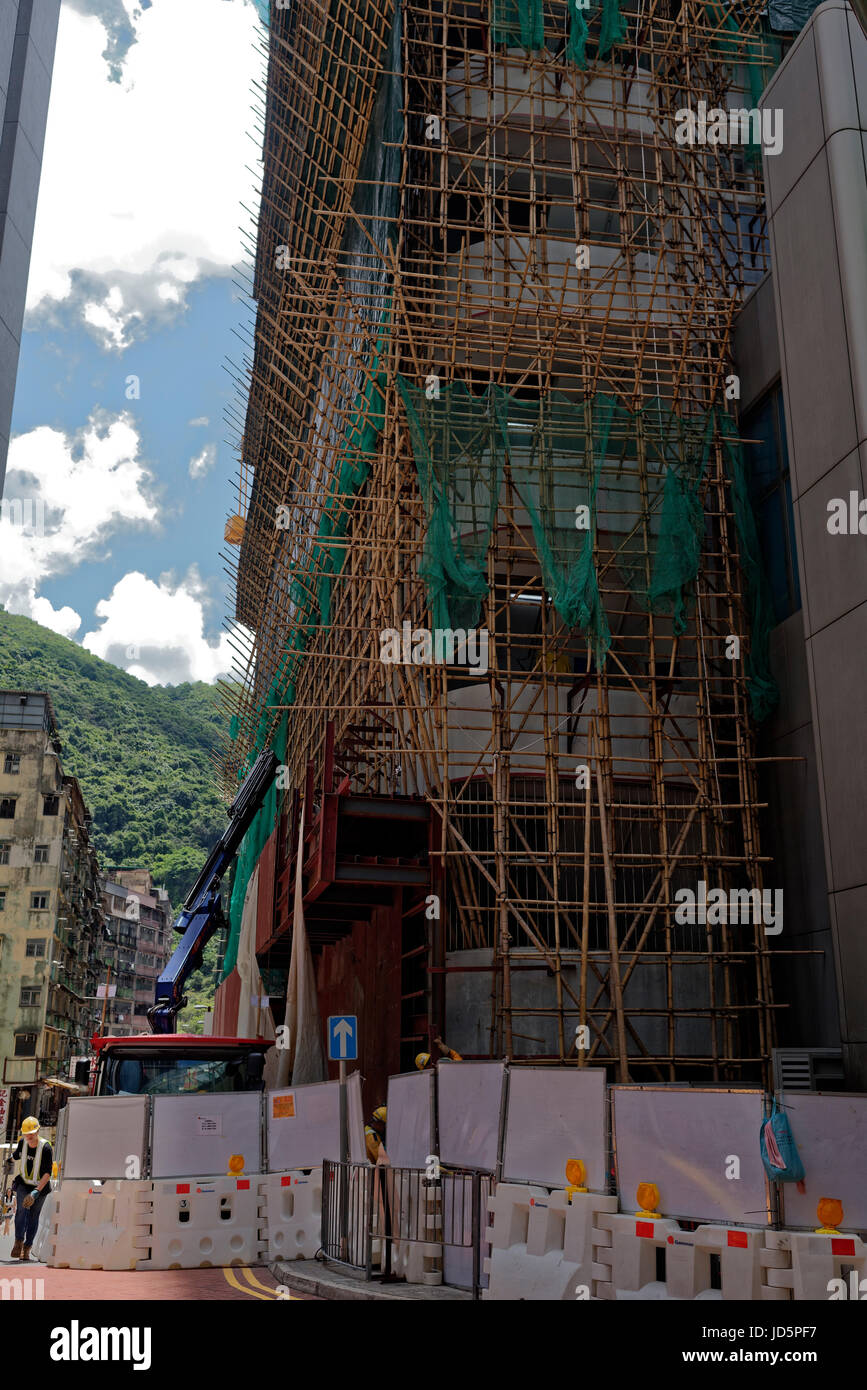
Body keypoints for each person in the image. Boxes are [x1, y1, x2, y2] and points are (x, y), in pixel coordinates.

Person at [10, 1117, 52, 1261]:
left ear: (38, 1131)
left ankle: (27, 1248)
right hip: (24, 1183)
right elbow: (16, 1155)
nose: (29, 1136)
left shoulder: (46, 1147)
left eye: (32, 1133)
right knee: (21, 1210)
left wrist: (36, 1192)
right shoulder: (22, 1142)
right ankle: (18, 1242)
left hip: (40, 1188)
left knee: (34, 1217)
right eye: (26, 1134)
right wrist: (8, 1160)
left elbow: (48, 1172)